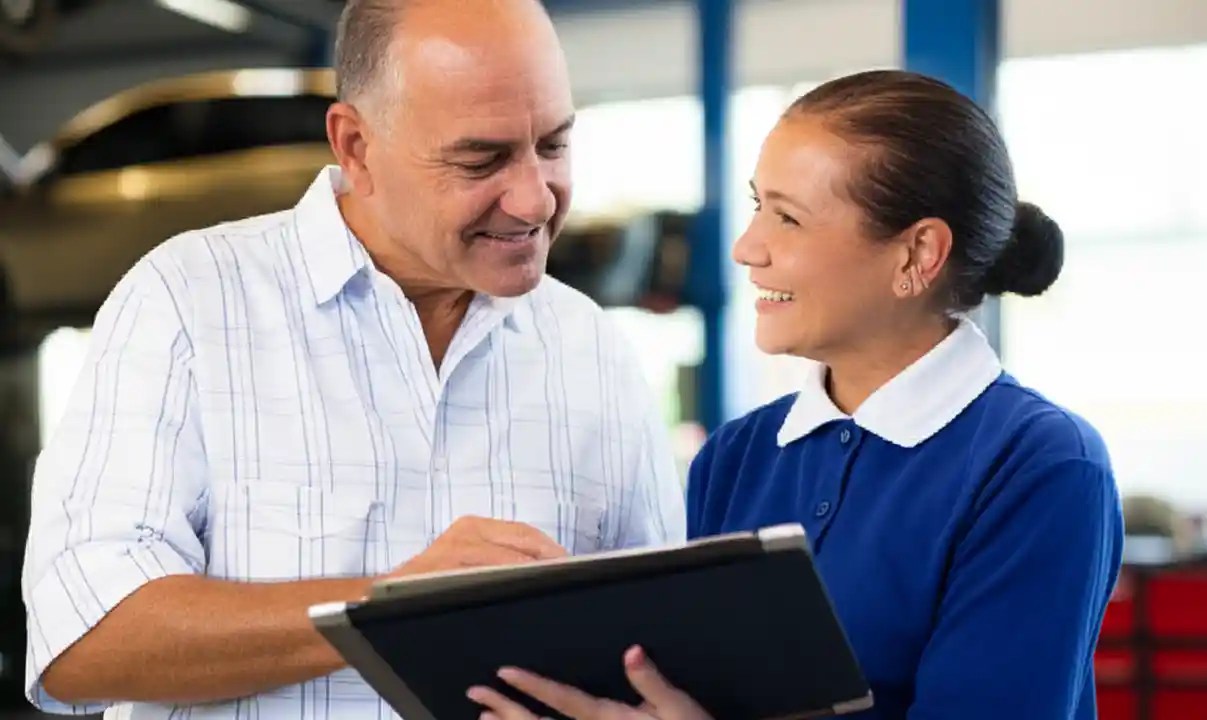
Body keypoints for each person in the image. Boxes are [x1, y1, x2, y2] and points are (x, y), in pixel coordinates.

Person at [20, 0, 685, 717]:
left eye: (553, 146)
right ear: (357, 147)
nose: (533, 198)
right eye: (481, 159)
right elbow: (82, 641)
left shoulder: (593, 352)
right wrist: (390, 610)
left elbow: (657, 656)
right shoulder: (187, 306)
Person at [468, 70, 1125, 720]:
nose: (748, 247)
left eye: (788, 217)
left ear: (917, 255)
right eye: (759, 206)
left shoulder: (1041, 467)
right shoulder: (737, 455)